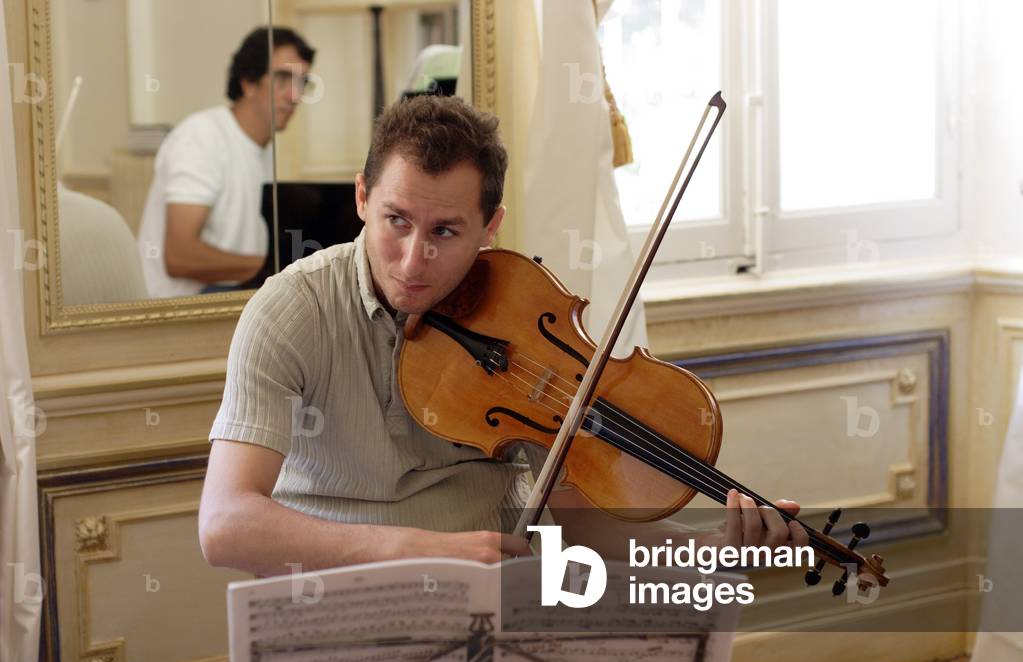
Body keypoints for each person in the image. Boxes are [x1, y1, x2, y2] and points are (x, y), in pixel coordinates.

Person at [198, 96, 808, 578]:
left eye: (445, 231)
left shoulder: (520, 313)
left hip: (493, 599)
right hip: (339, 600)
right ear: (362, 196)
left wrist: (712, 551)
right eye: (397, 221)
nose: (414, 260)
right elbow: (225, 524)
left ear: (490, 227)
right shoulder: (290, 311)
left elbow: (580, 527)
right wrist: (418, 549)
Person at [137, 27, 316, 299]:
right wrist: (276, 269)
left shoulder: (263, 150)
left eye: (302, 82)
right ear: (249, 82)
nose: (295, 96)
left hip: (229, 298)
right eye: (282, 79)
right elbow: (179, 257)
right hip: (181, 313)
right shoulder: (201, 136)